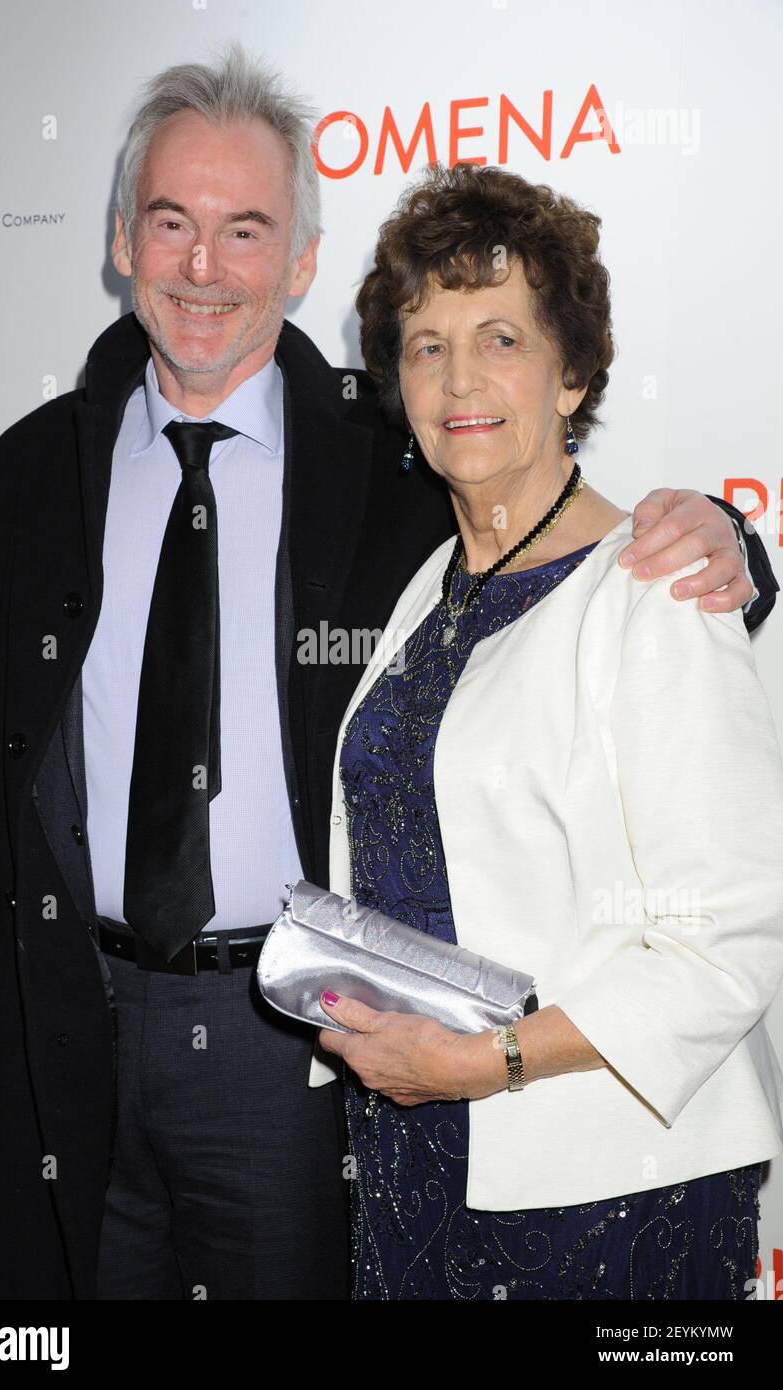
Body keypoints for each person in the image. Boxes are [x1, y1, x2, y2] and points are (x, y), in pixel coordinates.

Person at [0, 48, 776, 1301]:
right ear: (121, 238)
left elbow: (558, 526)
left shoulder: (391, 460)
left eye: (246, 229)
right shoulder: (24, 477)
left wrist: (732, 542)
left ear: (302, 265)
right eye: (172, 223)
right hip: (73, 1018)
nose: (204, 267)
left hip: (297, 1049)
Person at [313, 162, 783, 1301]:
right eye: (426, 343)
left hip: (607, 1186)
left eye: (501, 338)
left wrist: (486, 1061)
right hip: (420, 1153)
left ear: (572, 373)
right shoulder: (434, 584)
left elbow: (729, 940)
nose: (460, 377)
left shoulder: (658, 585)